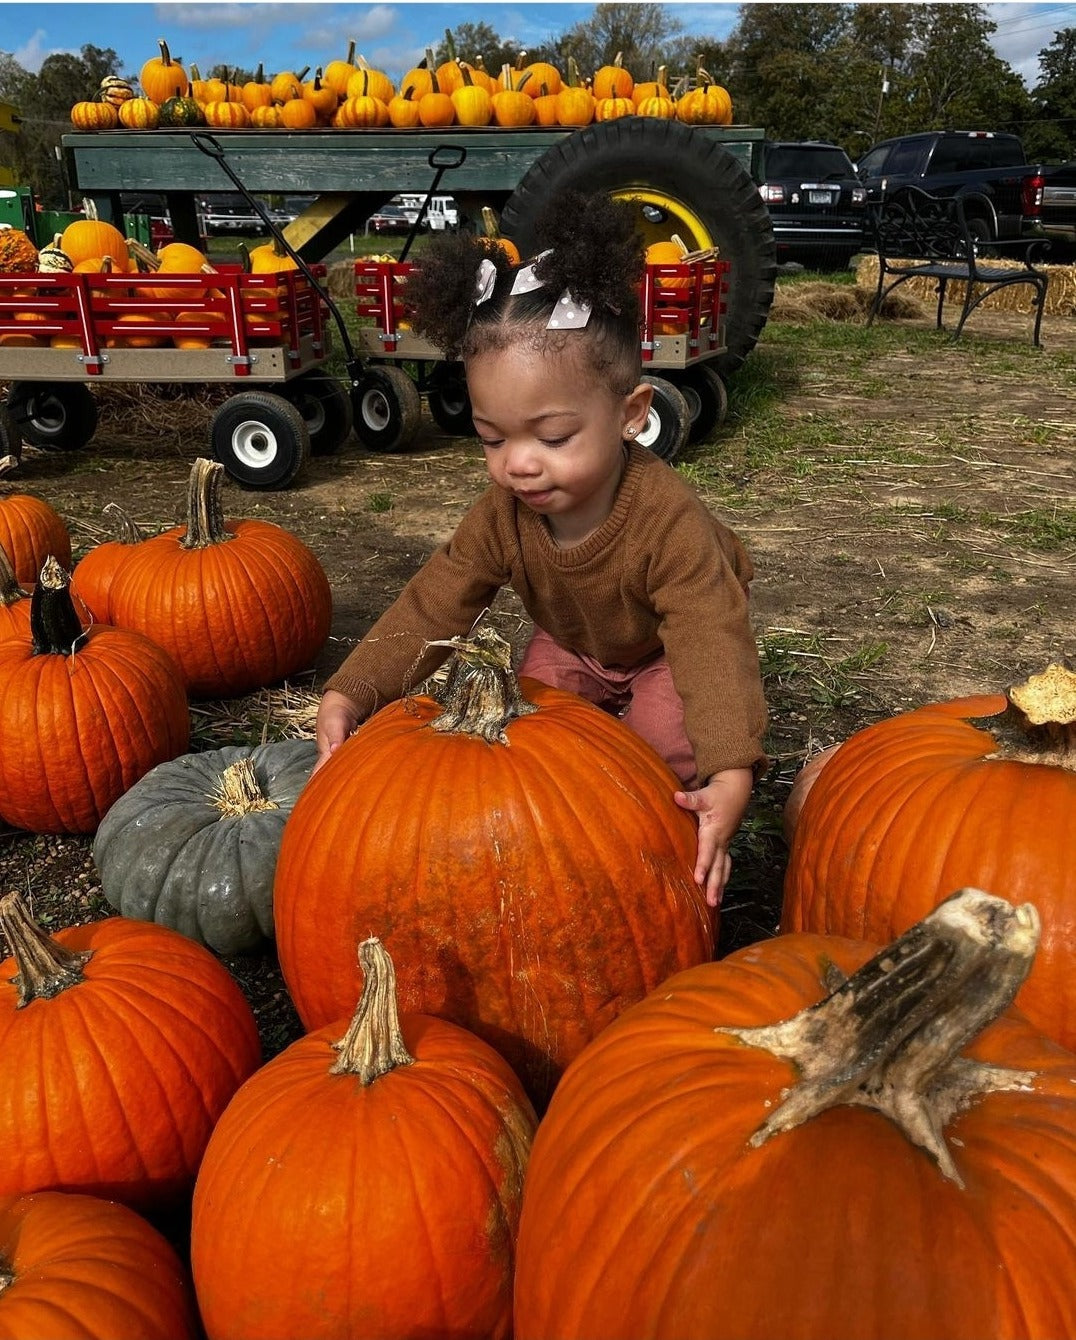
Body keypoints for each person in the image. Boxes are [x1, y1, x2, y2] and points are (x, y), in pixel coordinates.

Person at [315, 189, 768, 908]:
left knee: (655, 752)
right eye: (494, 439)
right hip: (576, 639)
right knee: (537, 733)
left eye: (552, 438)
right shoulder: (505, 514)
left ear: (631, 415)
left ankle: (644, 858)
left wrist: (730, 767)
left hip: (663, 648)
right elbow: (440, 596)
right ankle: (561, 837)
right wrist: (355, 687)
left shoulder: (665, 520)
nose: (519, 464)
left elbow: (709, 636)